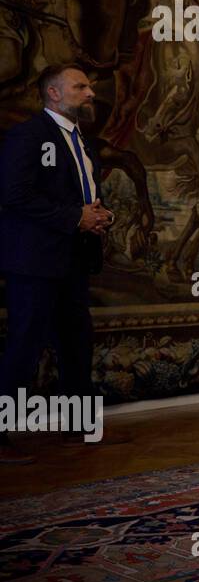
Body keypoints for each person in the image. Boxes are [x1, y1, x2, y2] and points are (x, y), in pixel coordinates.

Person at [0, 64, 111, 463]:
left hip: (73, 261)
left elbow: (83, 194)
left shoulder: (83, 141)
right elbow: (14, 195)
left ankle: (77, 426)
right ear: (53, 93)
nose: (90, 92)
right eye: (80, 86)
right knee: (24, 345)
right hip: (33, 261)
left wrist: (98, 216)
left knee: (76, 343)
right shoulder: (28, 135)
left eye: (89, 86)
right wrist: (74, 217)